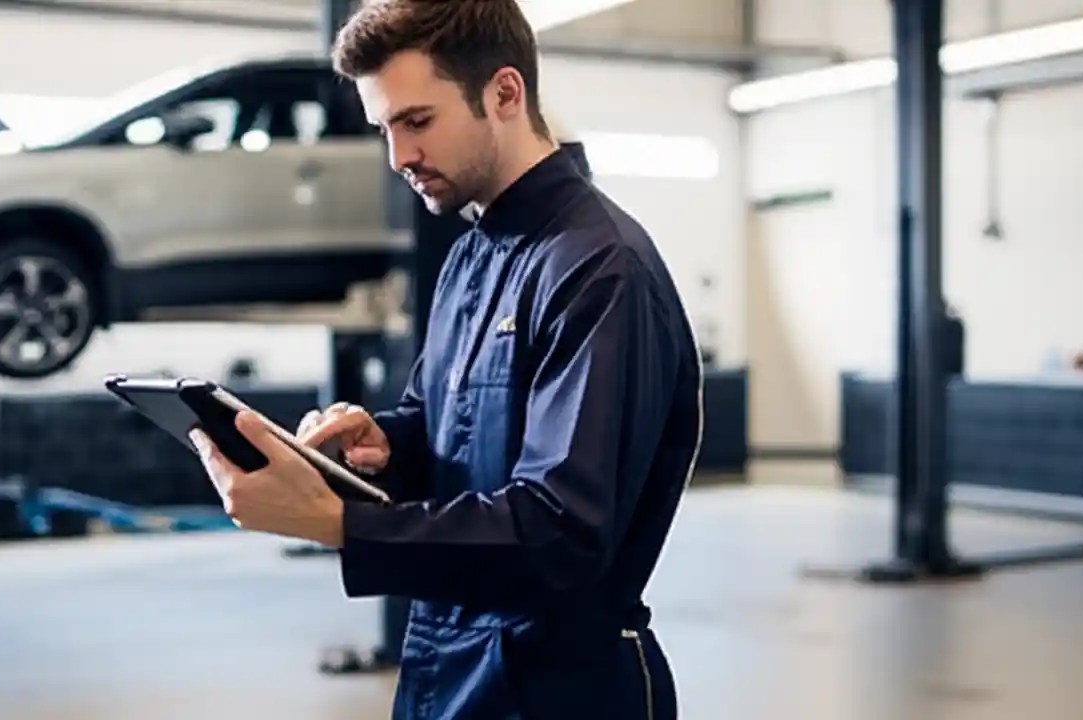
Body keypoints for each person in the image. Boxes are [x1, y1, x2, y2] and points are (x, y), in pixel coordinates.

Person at [189, 1, 703, 717]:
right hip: (448, 663)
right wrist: (383, 446)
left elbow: (561, 533)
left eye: (417, 121)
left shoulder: (600, 270)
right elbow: (446, 433)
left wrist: (336, 522)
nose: (398, 157)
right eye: (385, 130)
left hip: (560, 686)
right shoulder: (469, 257)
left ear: (504, 93)